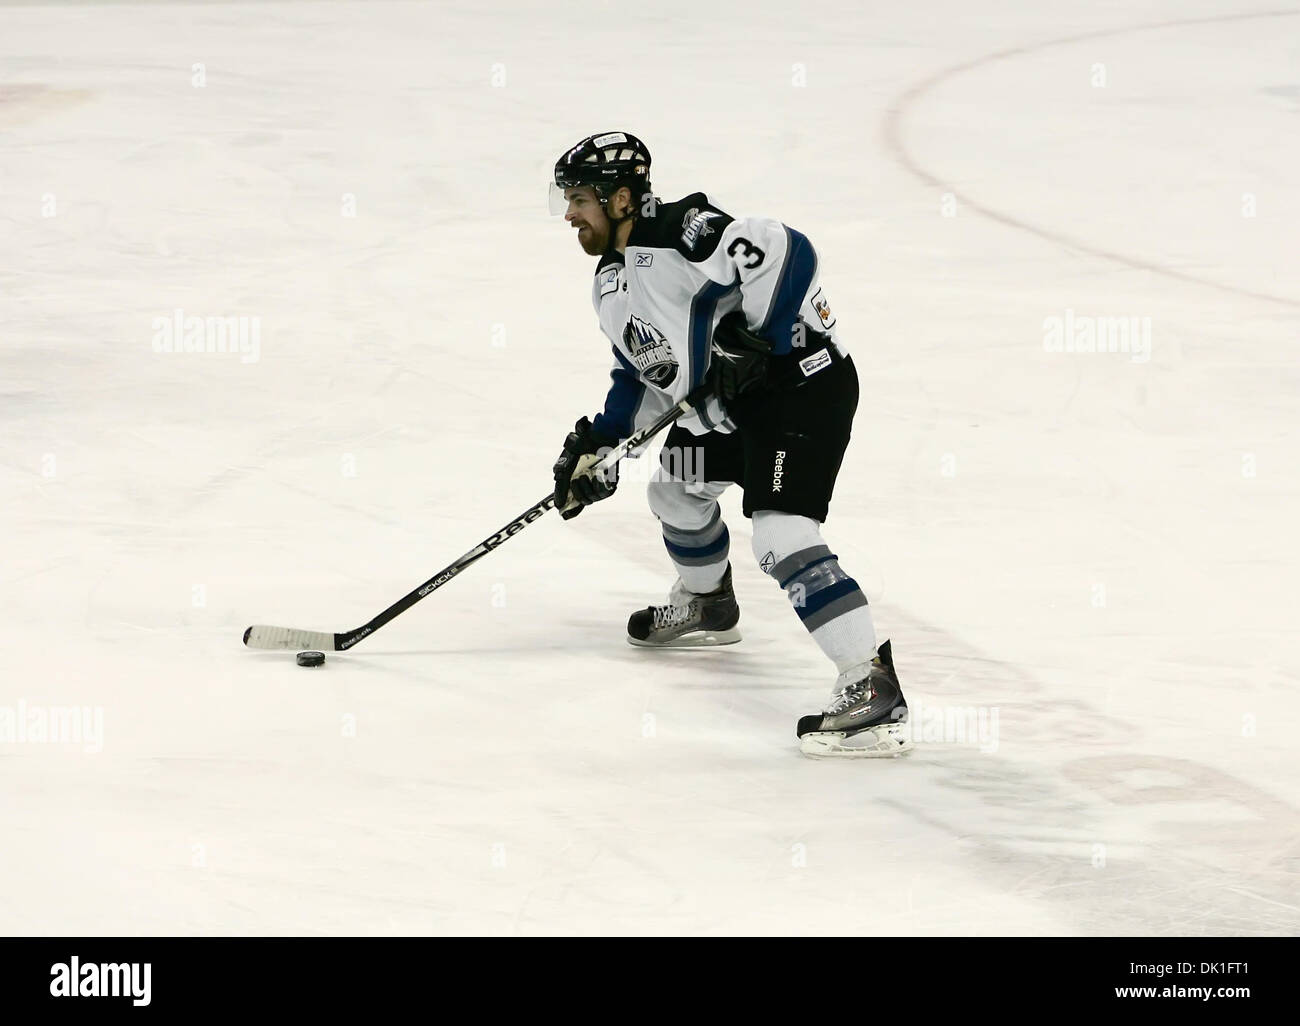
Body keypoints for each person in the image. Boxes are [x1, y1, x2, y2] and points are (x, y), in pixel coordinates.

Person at [549, 131, 911, 758]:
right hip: (732, 411)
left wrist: (758, 339)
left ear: (622, 199)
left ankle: (870, 686)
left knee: (780, 533)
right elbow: (646, 375)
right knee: (674, 485)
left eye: (579, 197)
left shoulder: (686, 231)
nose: (568, 213)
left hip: (801, 389)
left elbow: (786, 249)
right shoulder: (609, 285)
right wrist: (602, 446)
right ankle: (708, 602)